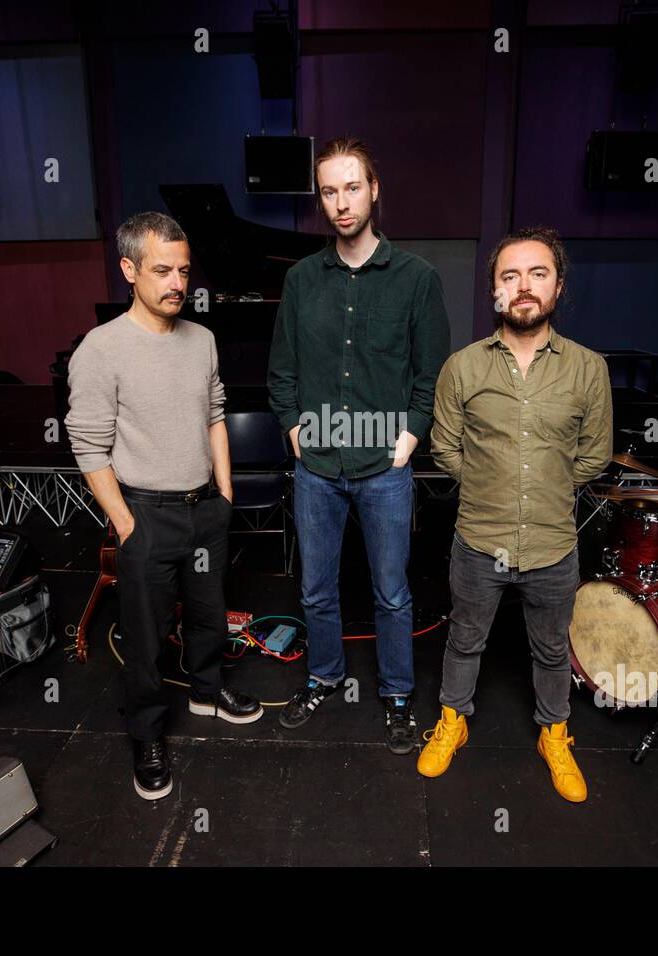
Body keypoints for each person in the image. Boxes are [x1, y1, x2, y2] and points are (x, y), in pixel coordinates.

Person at [66, 211, 261, 801]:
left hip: (206, 510)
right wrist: (126, 524)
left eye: (183, 269)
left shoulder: (200, 339)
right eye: (162, 270)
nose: (178, 282)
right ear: (128, 270)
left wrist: (225, 494)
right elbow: (88, 447)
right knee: (146, 640)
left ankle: (206, 692)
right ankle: (147, 735)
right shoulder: (100, 350)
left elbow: (215, 415)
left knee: (208, 614)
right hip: (145, 516)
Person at [267, 138, 450, 753]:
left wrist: (410, 437)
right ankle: (323, 676)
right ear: (320, 200)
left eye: (352, 187)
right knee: (317, 588)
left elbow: (433, 374)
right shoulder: (300, 280)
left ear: (375, 191)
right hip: (316, 465)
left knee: (392, 591)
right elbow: (281, 370)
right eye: (328, 191)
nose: (341, 202)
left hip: (384, 468)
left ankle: (397, 694)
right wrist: (294, 427)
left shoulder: (417, 279)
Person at [419, 226, 613, 801]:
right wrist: (494, 488)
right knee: (464, 640)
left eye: (538, 274)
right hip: (478, 540)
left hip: (554, 545)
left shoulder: (588, 369)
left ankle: (554, 734)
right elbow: (445, 449)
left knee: (553, 649)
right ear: (494, 292)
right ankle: (452, 722)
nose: (523, 287)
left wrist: (543, 490)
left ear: (557, 287)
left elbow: (594, 456)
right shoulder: (462, 368)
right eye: (510, 276)